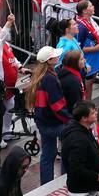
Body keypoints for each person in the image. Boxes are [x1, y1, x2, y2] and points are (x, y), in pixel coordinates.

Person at [26, 45, 69, 185]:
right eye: (55, 56)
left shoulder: (40, 75)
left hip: (43, 122)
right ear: (50, 61)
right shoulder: (49, 78)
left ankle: (46, 185)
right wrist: (70, 120)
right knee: (67, 150)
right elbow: (57, 105)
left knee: (47, 155)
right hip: (54, 122)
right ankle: (65, 180)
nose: (58, 57)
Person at [60, 100, 99, 196]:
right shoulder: (78, 140)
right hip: (83, 191)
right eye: (92, 112)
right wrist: (97, 177)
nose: (96, 113)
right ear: (84, 118)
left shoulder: (83, 130)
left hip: (90, 188)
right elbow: (76, 168)